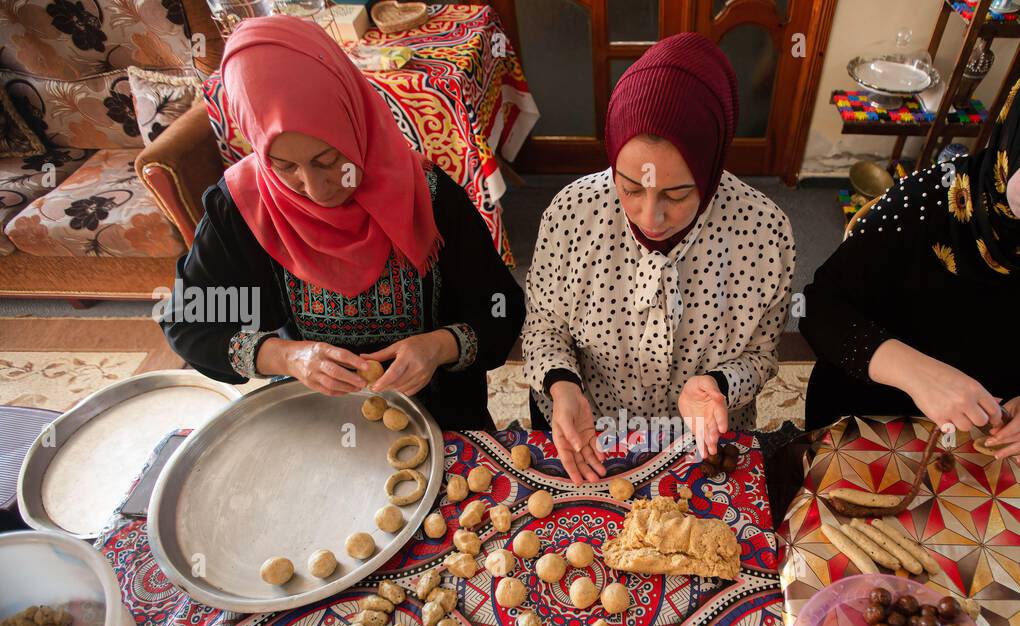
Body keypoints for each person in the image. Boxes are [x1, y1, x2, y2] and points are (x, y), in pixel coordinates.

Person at [801, 15, 1020, 461]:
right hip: (869, 418)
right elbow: (819, 309)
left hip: (985, 440)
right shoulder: (926, 203)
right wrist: (916, 373)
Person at [158, 17, 522, 429]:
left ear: (355, 119)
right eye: (285, 166)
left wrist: (439, 347)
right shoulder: (243, 208)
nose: (315, 189)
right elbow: (189, 322)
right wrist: (287, 356)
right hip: (316, 418)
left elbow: (502, 308)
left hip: (439, 413)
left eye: (328, 161)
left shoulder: (426, 195)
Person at [521, 33, 795, 483]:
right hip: (596, 437)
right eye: (629, 188)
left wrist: (720, 386)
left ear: (709, 171)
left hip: (704, 445)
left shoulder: (764, 235)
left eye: (677, 193)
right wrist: (562, 386)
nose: (651, 217)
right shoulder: (572, 214)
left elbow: (762, 356)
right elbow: (544, 325)